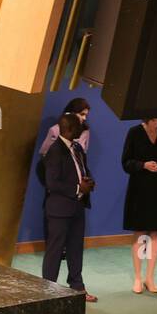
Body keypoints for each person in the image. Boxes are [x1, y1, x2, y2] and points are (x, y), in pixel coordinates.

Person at [42, 113, 97, 301]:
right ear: (70, 129)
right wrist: (77, 188)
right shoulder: (55, 151)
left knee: (75, 249)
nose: (83, 127)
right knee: (55, 251)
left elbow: (83, 170)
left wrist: (88, 182)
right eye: (80, 124)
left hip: (77, 207)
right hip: (59, 210)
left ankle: (77, 288)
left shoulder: (78, 148)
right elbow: (52, 183)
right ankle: (48, 292)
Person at [121, 117, 157, 294]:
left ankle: (150, 277)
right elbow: (126, 162)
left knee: (156, 232)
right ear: (147, 119)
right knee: (140, 233)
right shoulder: (134, 132)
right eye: (155, 121)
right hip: (139, 189)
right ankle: (138, 277)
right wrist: (143, 165)